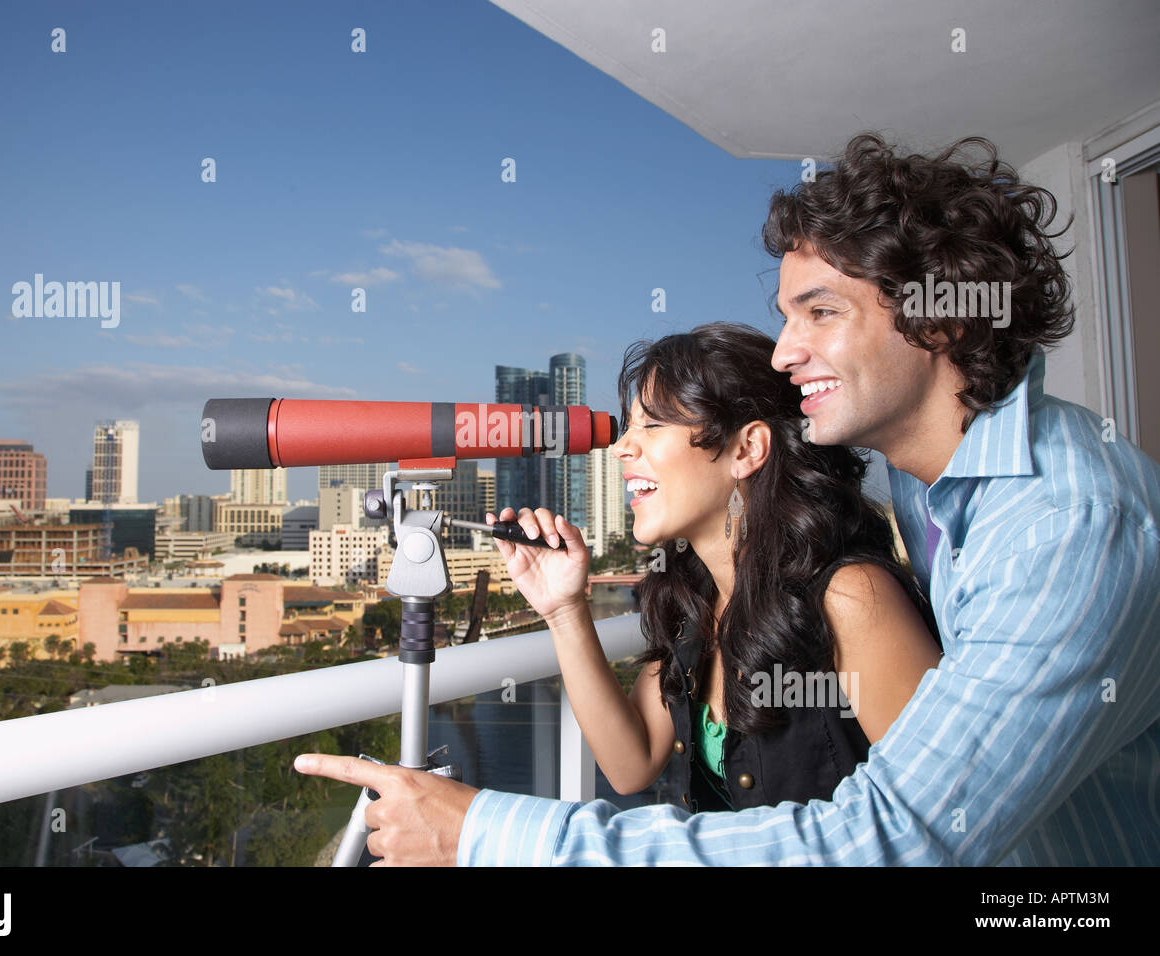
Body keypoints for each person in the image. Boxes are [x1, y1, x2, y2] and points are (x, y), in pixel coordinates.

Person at [295, 133, 1160, 866]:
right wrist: (563, 607)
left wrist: (486, 832)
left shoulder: (1063, 527)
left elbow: (900, 838)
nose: (786, 354)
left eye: (820, 312)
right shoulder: (928, 479)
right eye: (786, 319)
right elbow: (634, 766)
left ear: (943, 321)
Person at [486, 323, 942, 816]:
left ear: (746, 449)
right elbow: (630, 764)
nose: (622, 447)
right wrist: (563, 609)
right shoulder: (697, 605)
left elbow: (938, 817)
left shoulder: (852, 600)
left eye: (653, 425)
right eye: (628, 426)